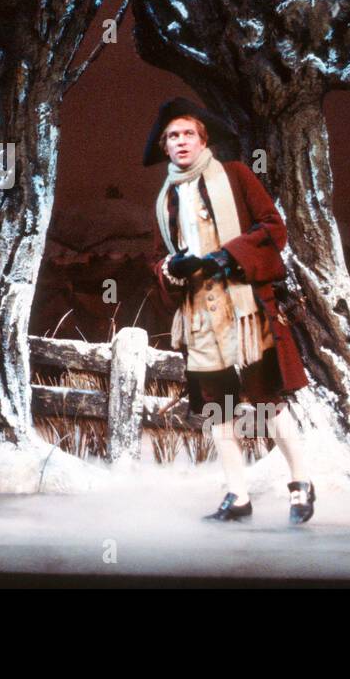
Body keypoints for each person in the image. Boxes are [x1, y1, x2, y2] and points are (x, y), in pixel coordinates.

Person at [143, 99, 316, 524]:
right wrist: (173, 268)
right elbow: (156, 257)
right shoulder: (165, 199)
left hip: (244, 307)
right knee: (217, 408)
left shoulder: (236, 176)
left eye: (187, 134)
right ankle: (237, 495)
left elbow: (273, 227)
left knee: (267, 400)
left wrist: (225, 257)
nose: (180, 142)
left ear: (203, 140)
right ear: (165, 147)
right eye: (172, 136)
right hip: (200, 314)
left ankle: (301, 484)